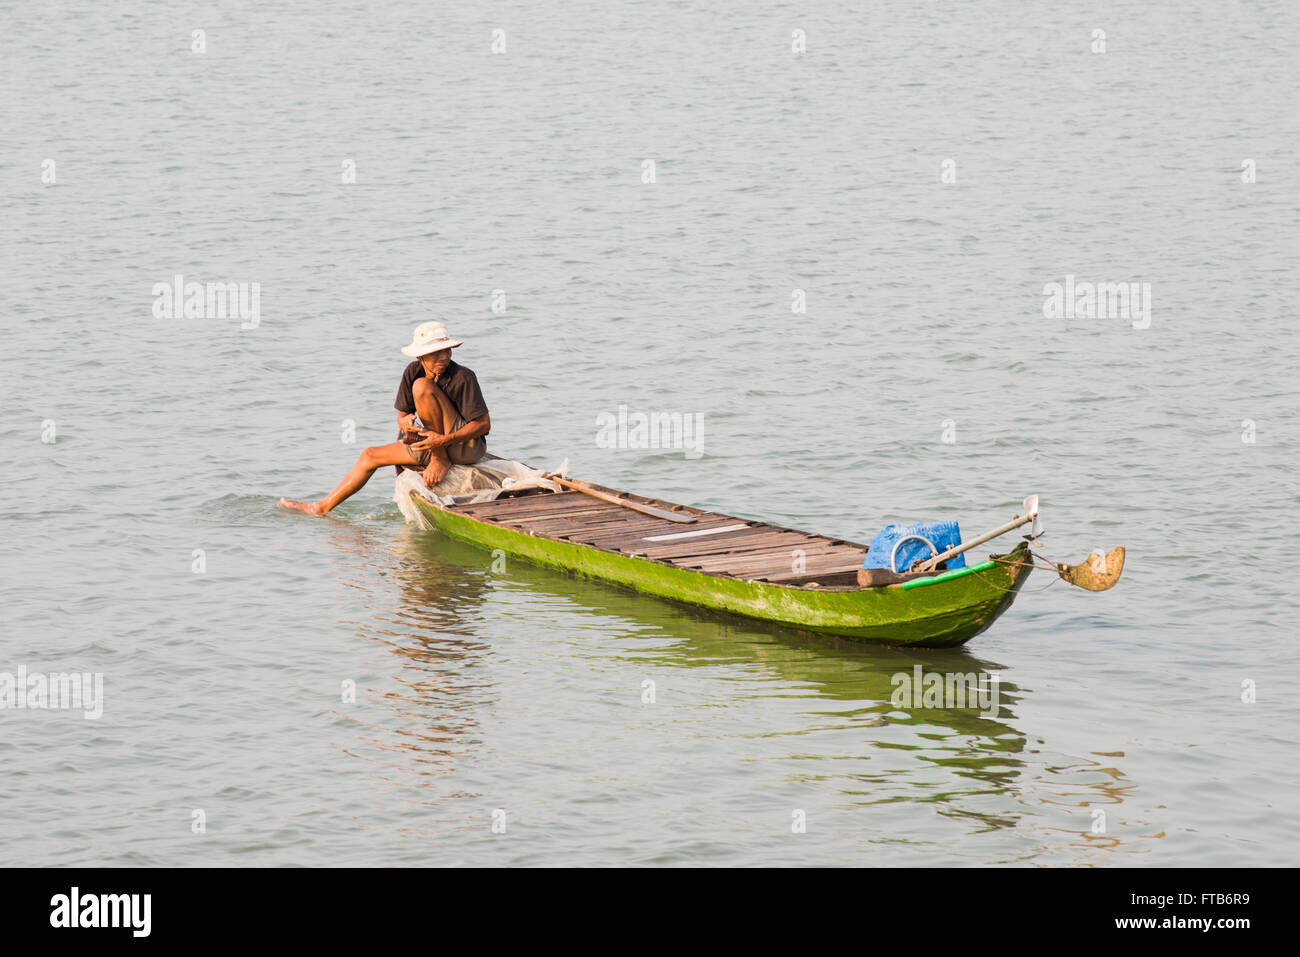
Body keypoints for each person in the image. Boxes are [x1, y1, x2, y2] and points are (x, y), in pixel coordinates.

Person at [279, 322, 490, 516]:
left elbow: (483, 424)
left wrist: (442, 443)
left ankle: (440, 458)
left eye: (446, 350)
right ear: (420, 357)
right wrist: (405, 421)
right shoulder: (412, 371)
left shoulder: (463, 377)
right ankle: (320, 507)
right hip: (433, 443)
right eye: (436, 353)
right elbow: (402, 415)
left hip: (465, 447)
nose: (444, 357)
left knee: (422, 387)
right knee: (369, 455)